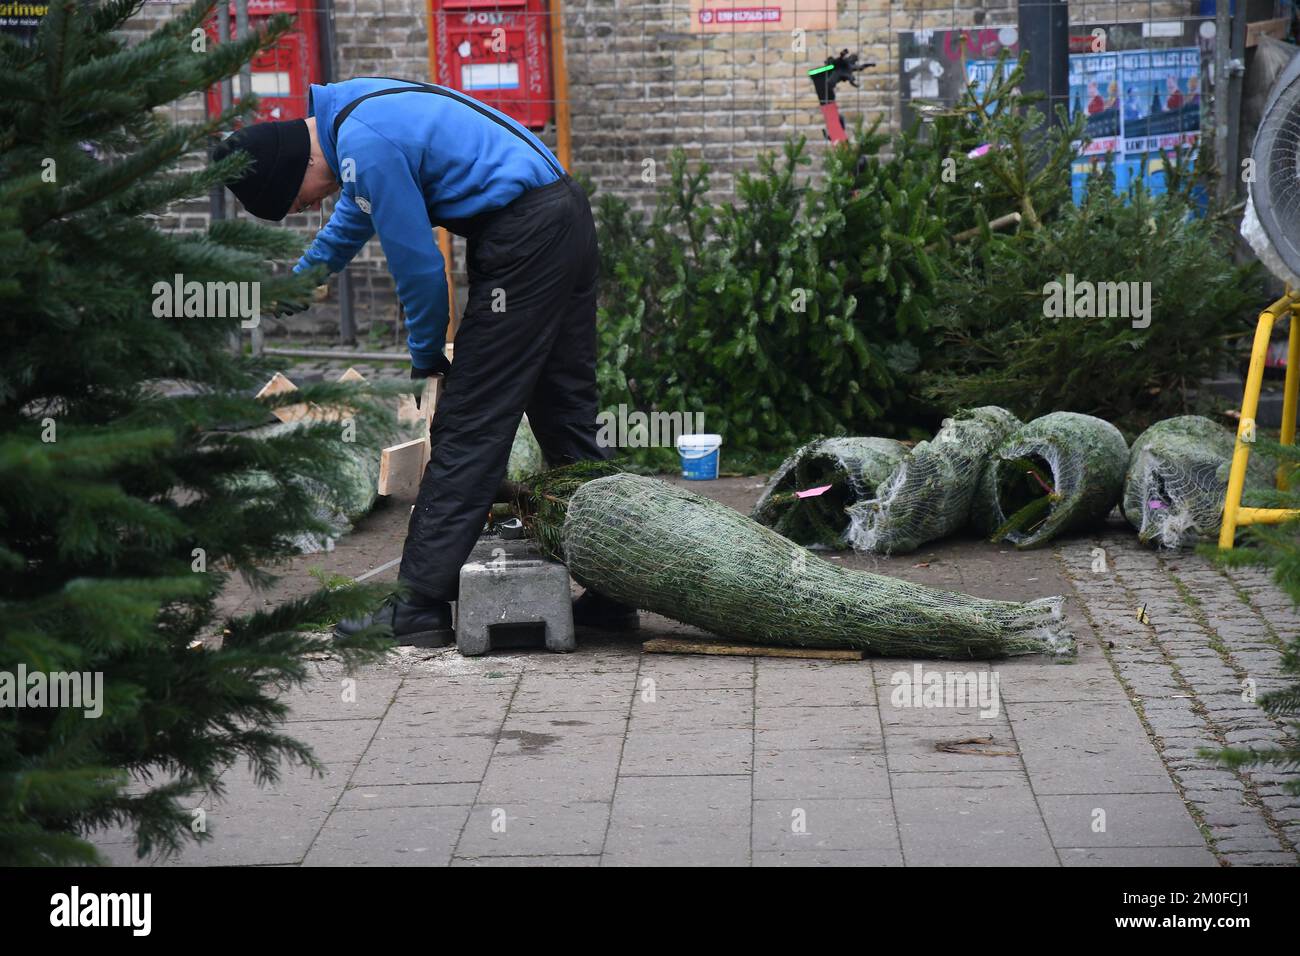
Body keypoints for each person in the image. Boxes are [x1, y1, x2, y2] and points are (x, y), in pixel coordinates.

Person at [213, 77, 636, 643]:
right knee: (564, 413)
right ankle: (618, 588)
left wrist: (427, 353)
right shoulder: (357, 119)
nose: (310, 206)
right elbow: (358, 212)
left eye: (298, 199)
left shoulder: (363, 142)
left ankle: (417, 606)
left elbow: (417, 266)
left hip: (528, 235)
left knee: (470, 420)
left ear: (294, 171)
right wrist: (302, 280)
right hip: (562, 218)